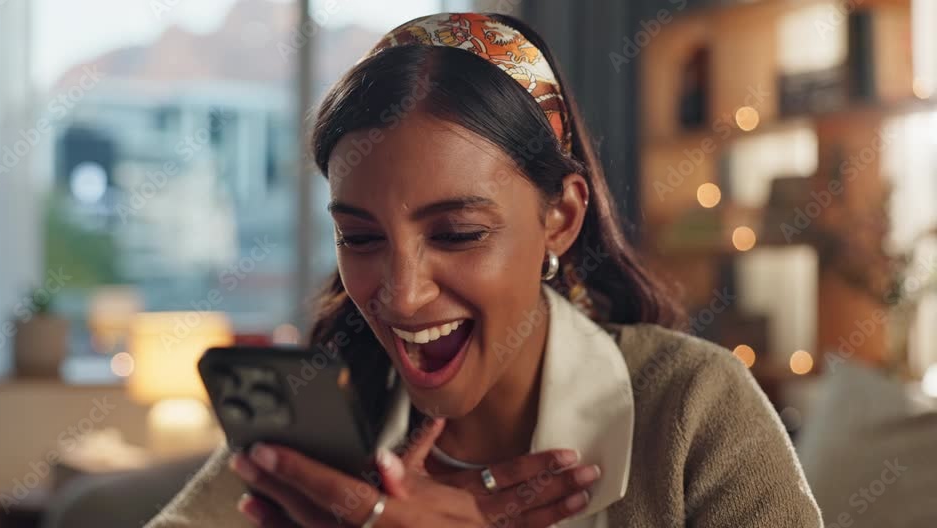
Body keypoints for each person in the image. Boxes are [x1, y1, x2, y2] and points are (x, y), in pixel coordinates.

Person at [146, 12, 823, 528]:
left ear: (559, 215)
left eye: (458, 233)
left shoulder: (694, 407)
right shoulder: (315, 418)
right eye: (359, 236)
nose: (402, 296)